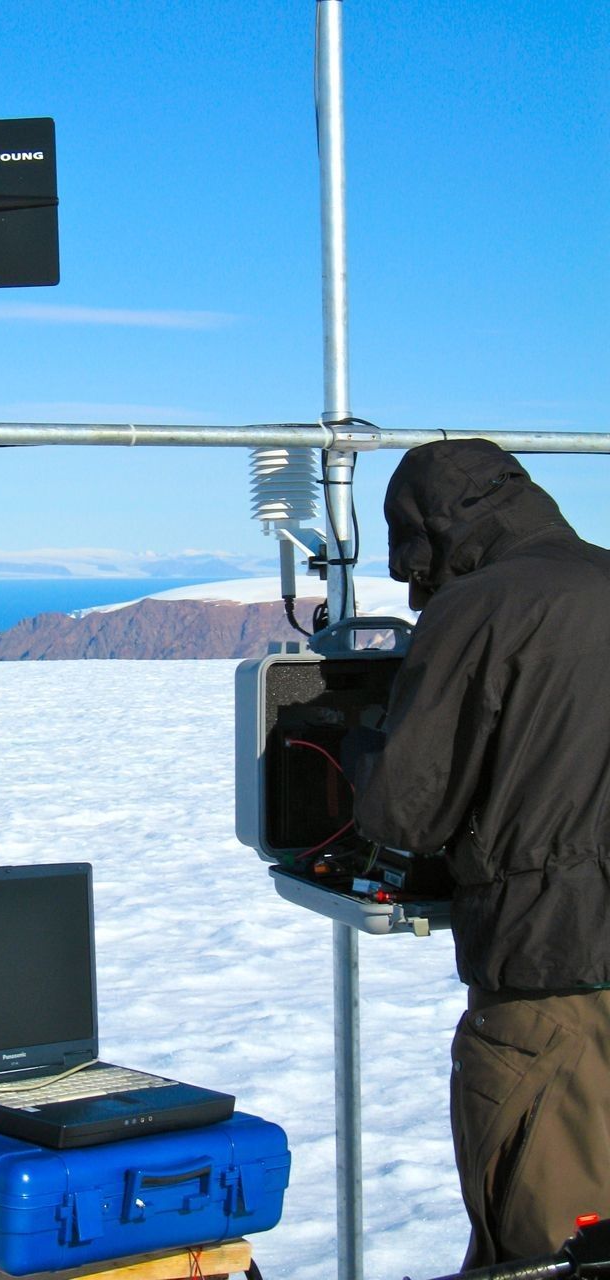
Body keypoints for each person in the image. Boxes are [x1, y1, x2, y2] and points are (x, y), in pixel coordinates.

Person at [352, 438, 610, 1268]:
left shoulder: (480, 608)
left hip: (553, 974)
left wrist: (359, 747)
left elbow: (409, 810)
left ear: (426, 537)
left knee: (549, 1242)